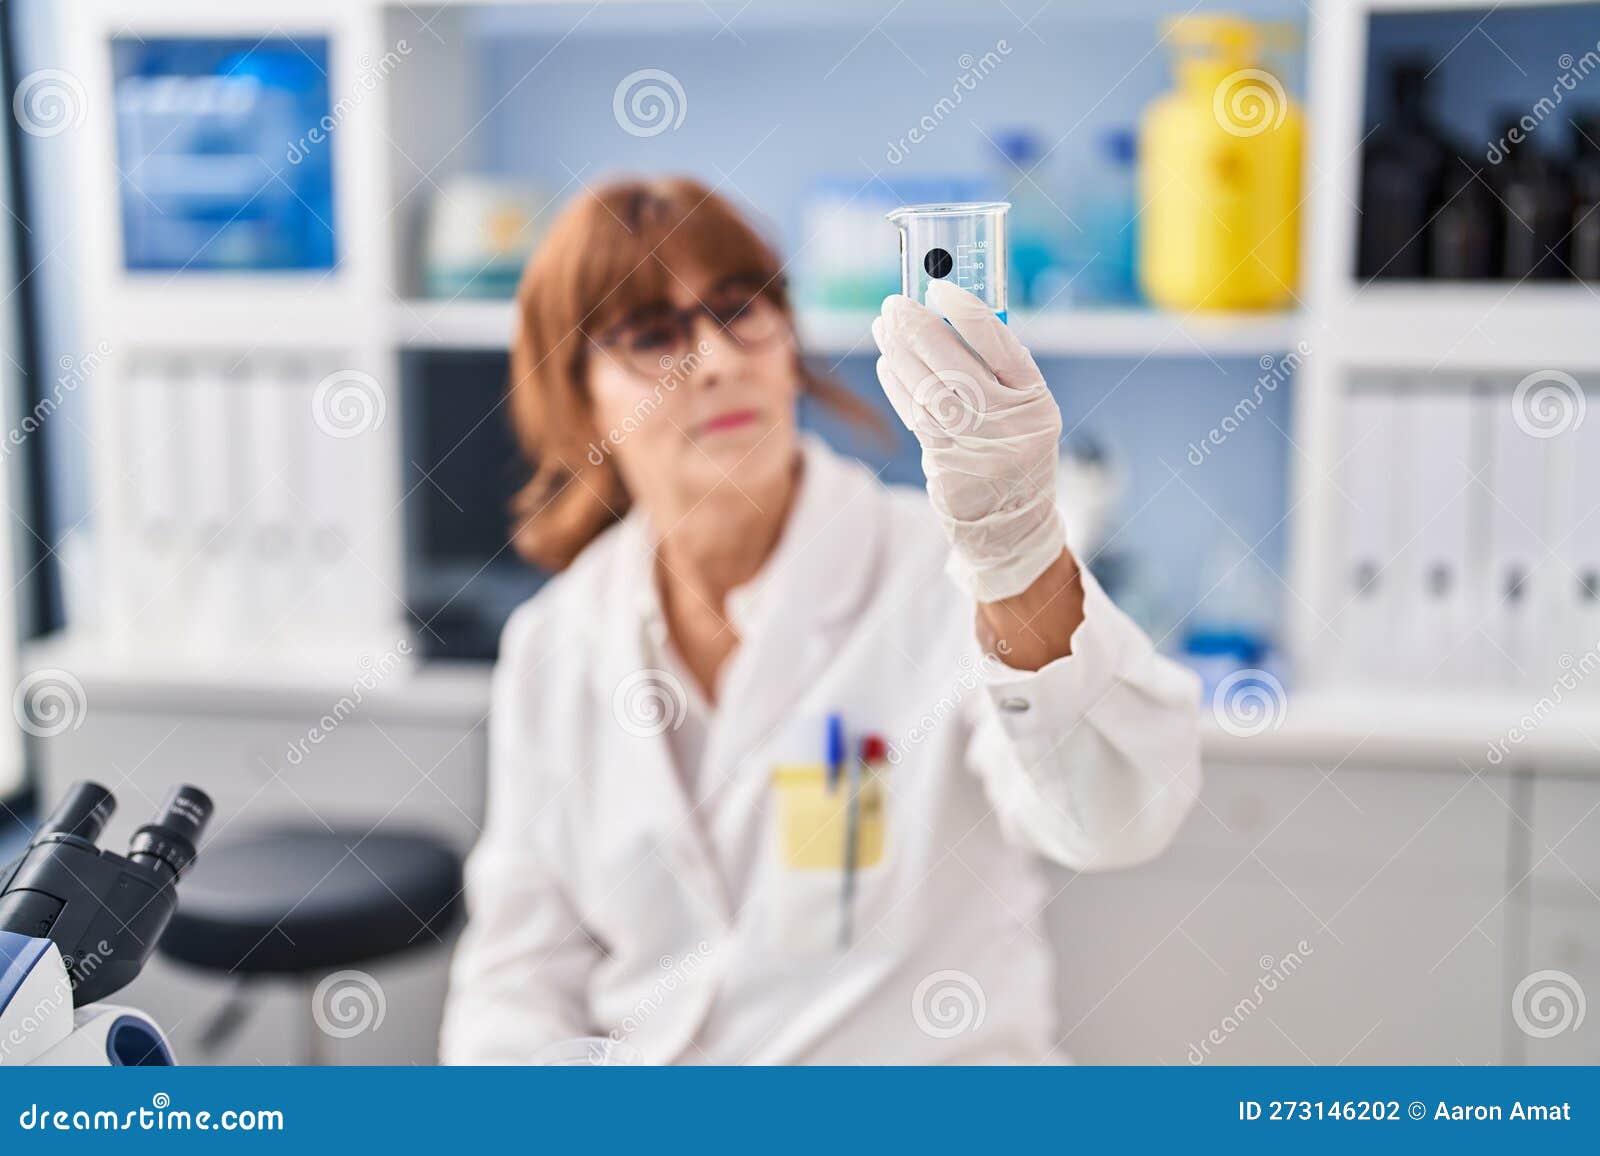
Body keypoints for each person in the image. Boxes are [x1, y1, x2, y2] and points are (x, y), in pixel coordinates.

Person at [440, 177, 1200, 1064]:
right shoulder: (556, 642)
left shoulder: (942, 574)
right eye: (653, 335)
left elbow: (1118, 813)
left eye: (739, 310)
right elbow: (516, 982)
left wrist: (1020, 549)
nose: (716, 361)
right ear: (576, 397)